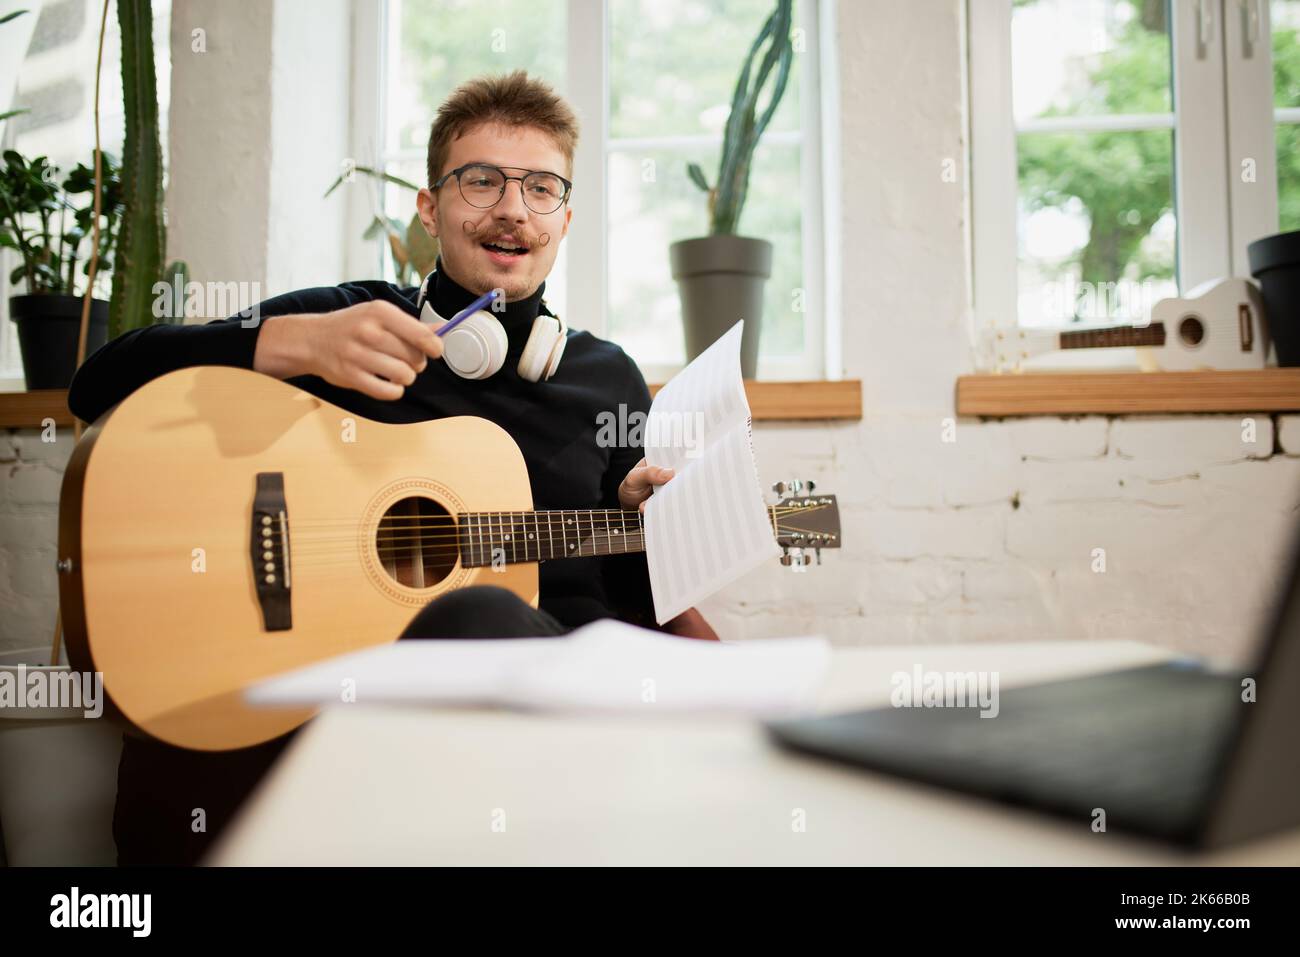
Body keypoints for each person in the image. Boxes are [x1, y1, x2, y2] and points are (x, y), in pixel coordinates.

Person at [67, 69, 717, 866]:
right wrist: (294, 342)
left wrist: (653, 522)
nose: (513, 208)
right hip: (341, 705)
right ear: (430, 207)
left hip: (547, 736)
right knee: (463, 623)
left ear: (565, 219)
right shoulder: (355, 324)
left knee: (489, 620)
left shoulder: (606, 379)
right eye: (482, 181)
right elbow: (97, 382)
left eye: (541, 188)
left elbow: (647, 614)